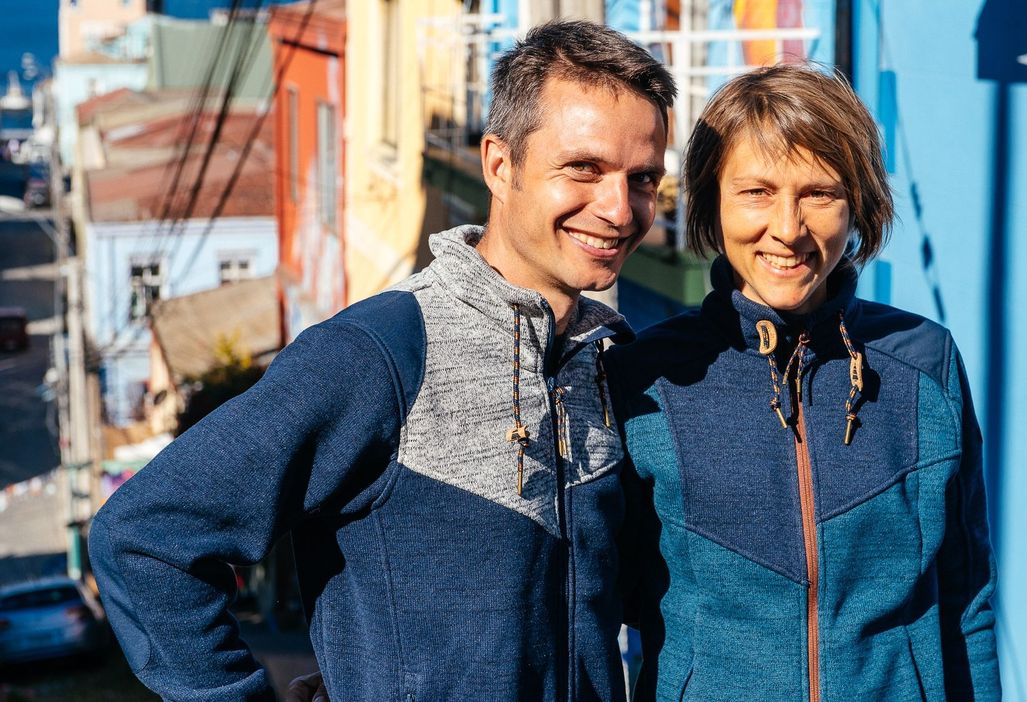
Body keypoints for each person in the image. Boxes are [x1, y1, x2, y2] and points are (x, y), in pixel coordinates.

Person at [88, 19, 674, 702]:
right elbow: (146, 538)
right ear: (499, 164)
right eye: (584, 168)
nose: (618, 208)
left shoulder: (606, 363)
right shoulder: (379, 353)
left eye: (642, 179)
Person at [606, 64, 1001, 701]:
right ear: (711, 201)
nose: (789, 229)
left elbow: (967, 599)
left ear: (859, 204)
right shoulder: (648, 378)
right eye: (756, 192)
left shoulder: (924, 364)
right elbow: (596, 610)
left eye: (819, 193)